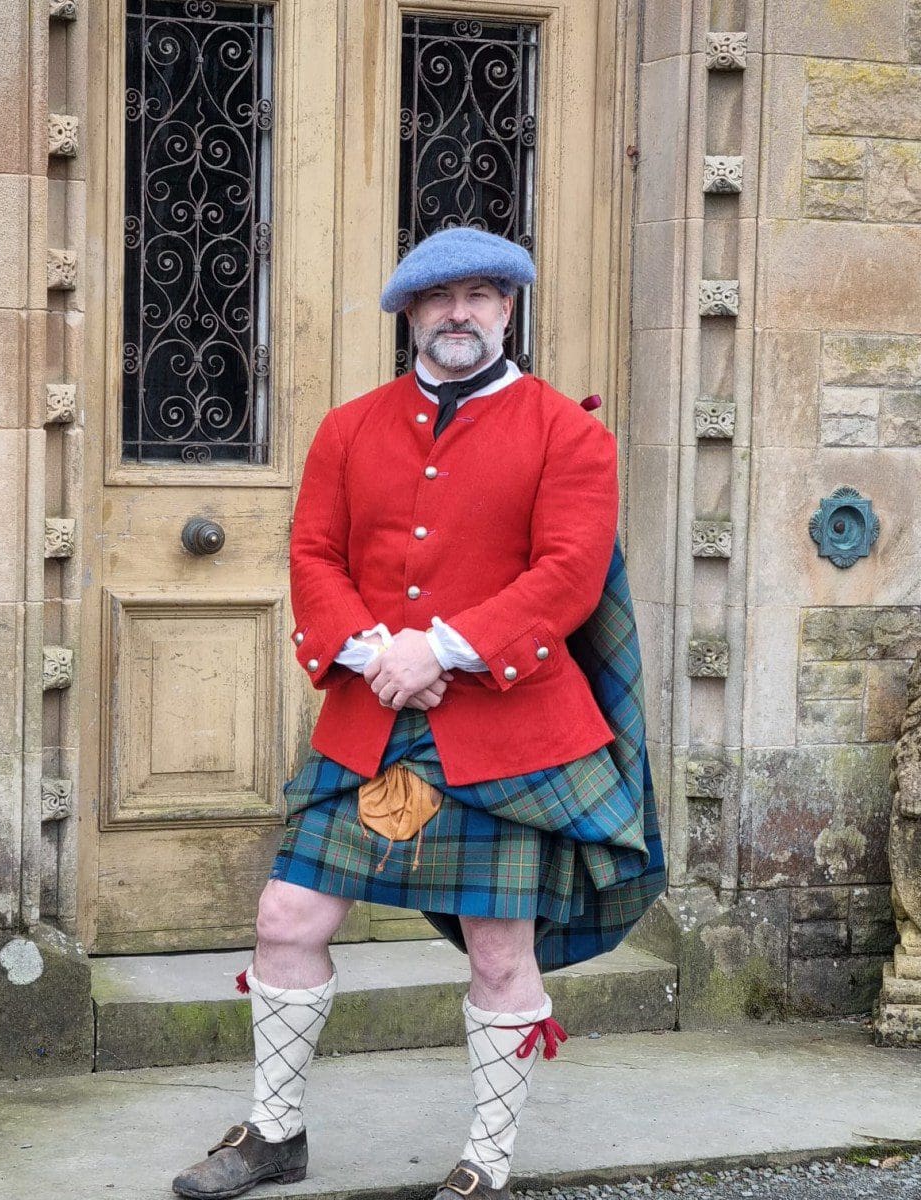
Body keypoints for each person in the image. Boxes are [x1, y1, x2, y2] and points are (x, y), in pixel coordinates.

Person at [171, 226, 664, 1200]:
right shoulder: (349, 428)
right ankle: (274, 1134)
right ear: (410, 315)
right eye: (439, 298)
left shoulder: (568, 433)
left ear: (509, 308)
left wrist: (439, 649)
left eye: (480, 294)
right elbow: (315, 555)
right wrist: (374, 653)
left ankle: (486, 1162)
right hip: (375, 726)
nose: (459, 312)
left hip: (506, 737)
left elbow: (567, 576)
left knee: (499, 946)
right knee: (286, 917)